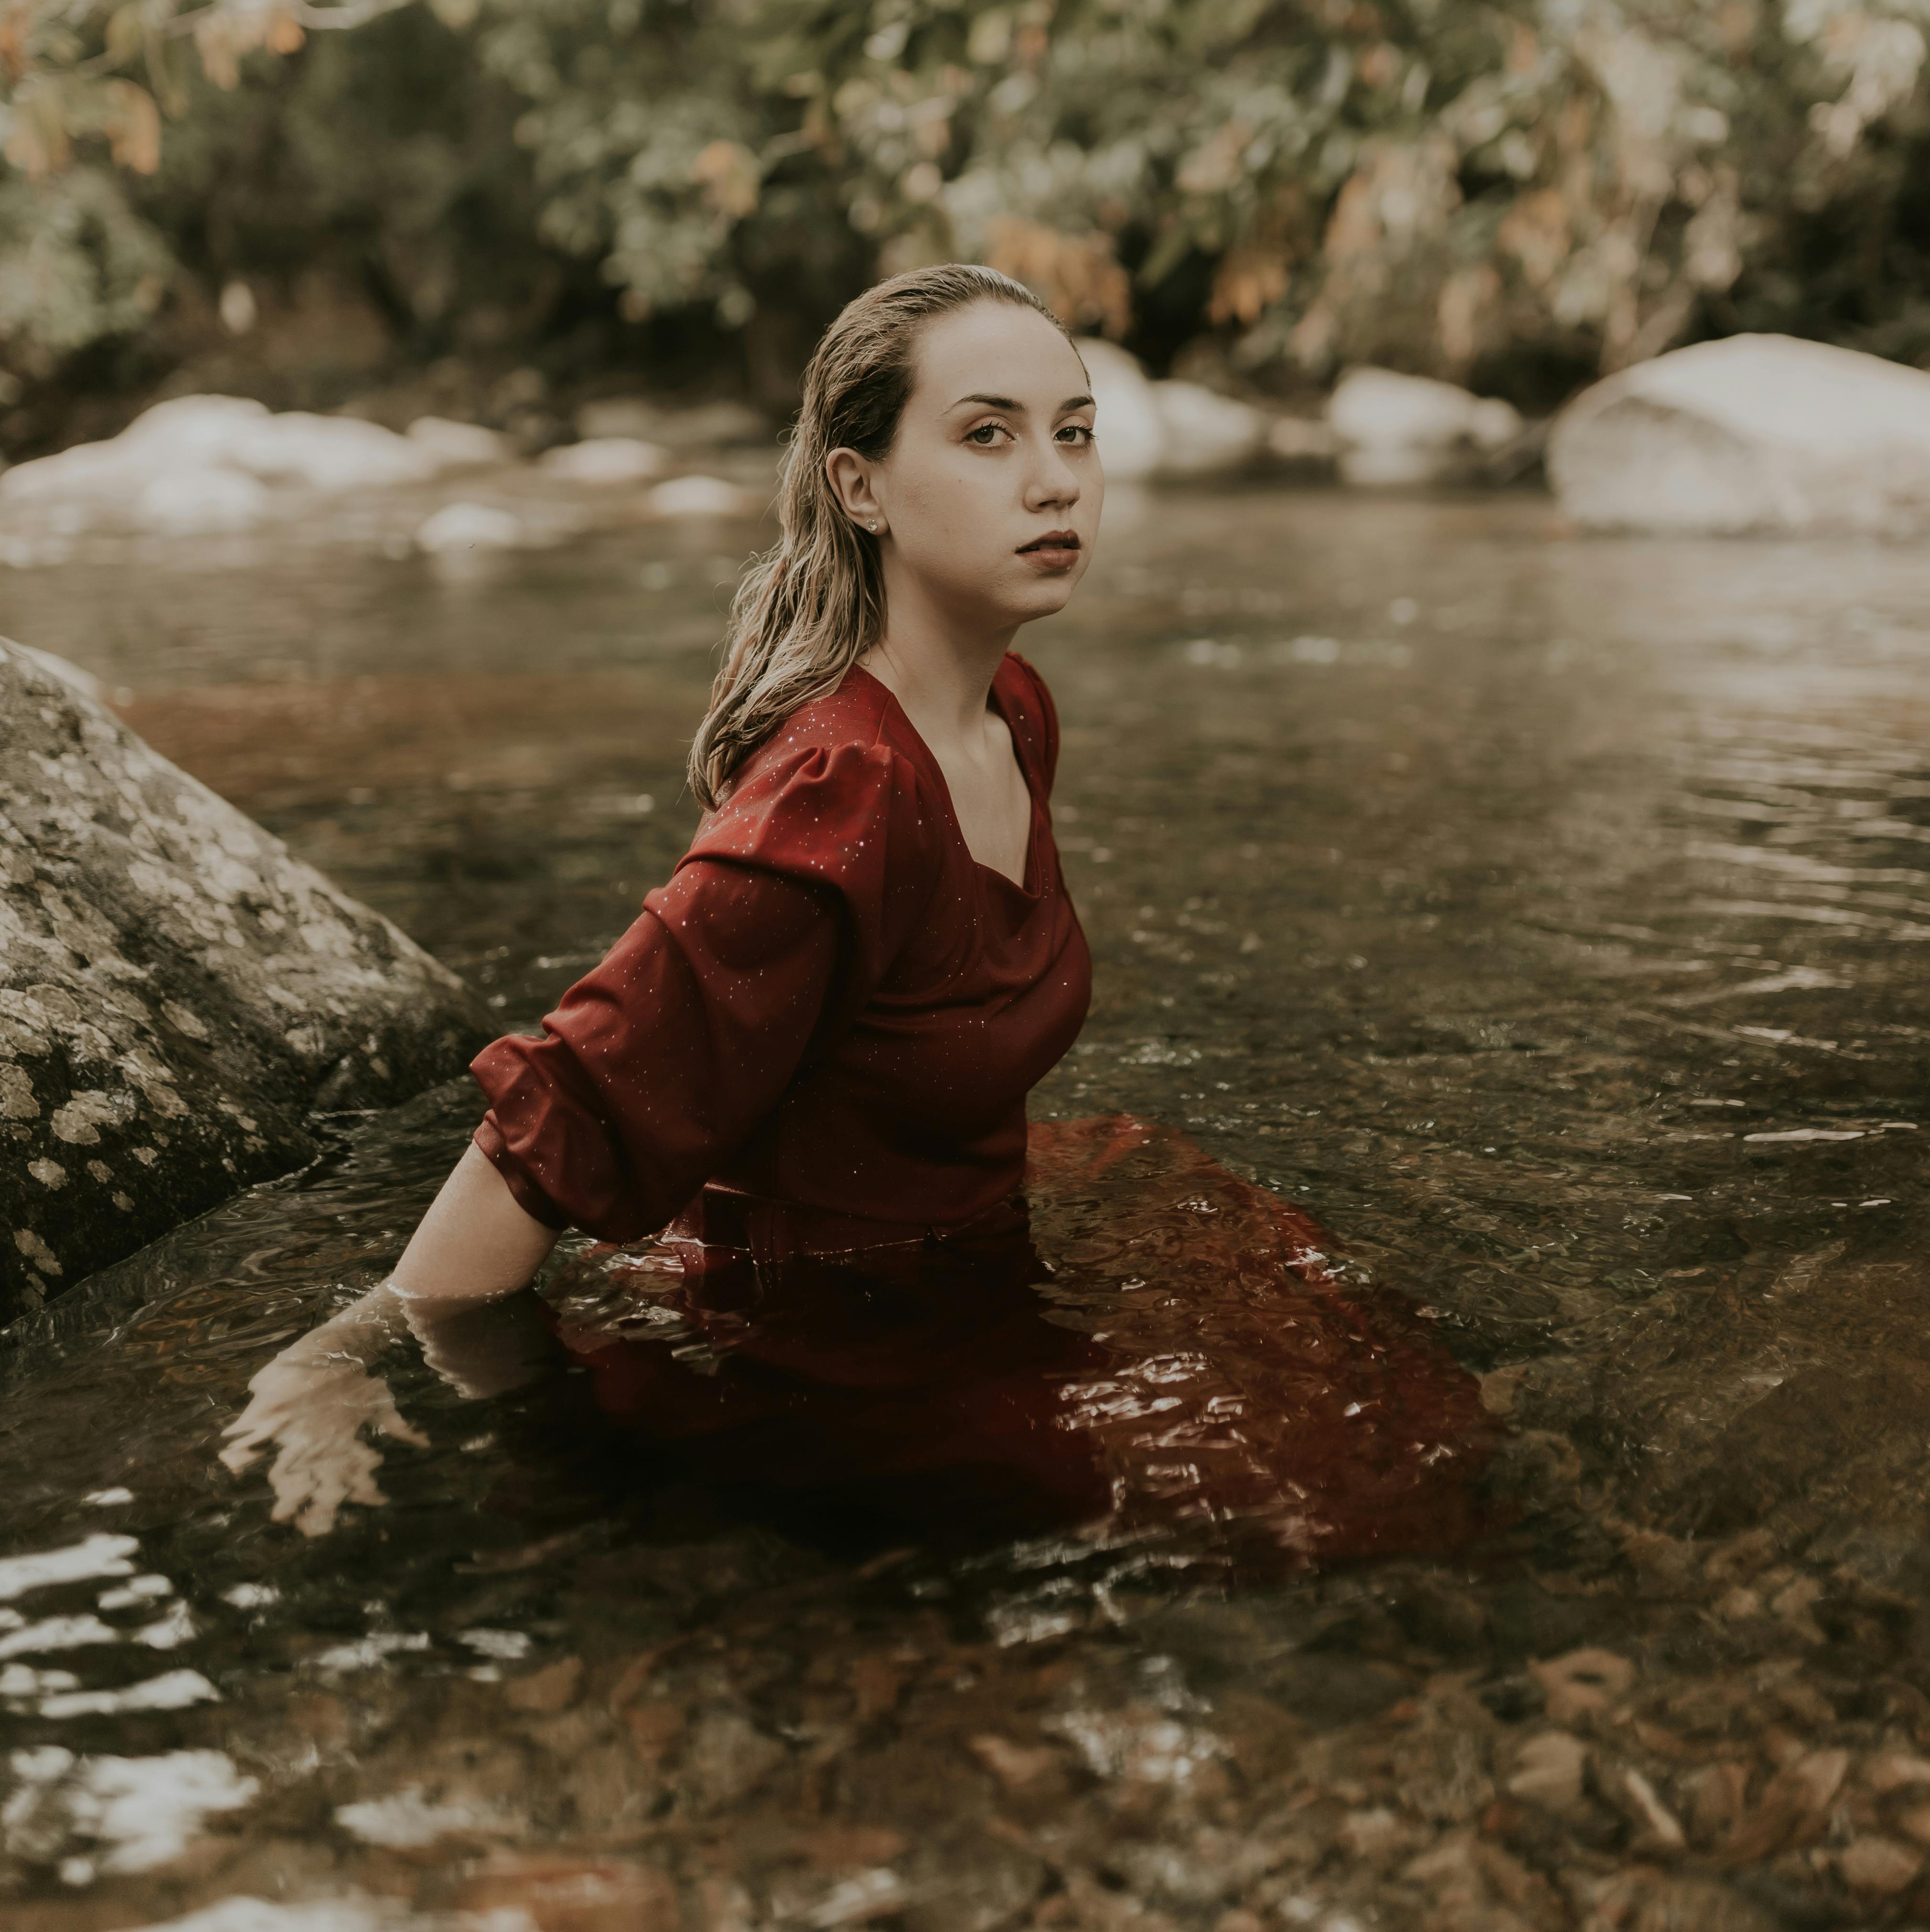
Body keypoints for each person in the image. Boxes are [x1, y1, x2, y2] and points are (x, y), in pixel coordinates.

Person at [224, 263, 1492, 1558]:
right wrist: (346, 1358)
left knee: (1407, 1413)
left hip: (972, 1264)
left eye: (1076, 431)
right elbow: (573, 1103)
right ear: (860, 486)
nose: (1055, 481)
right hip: (819, 1344)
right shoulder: (842, 796)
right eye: (987, 434)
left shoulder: (1013, 711)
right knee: (1290, 1525)